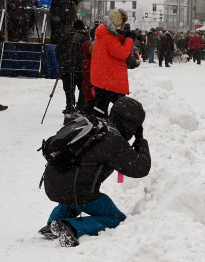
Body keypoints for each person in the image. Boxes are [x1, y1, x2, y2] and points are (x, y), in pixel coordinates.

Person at [40, 96, 151, 248]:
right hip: (76, 192)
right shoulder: (113, 140)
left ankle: (54, 222)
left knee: (74, 194)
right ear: (128, 124)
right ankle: (70, 227)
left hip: (53, 184)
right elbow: (140, 168)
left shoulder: (95, 124)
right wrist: (141, 140)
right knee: (116, 219)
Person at [90, 9, 135, 115]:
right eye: (123, 21)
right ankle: (112, 128)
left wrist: (123, 37)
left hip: (103, 78)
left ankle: (100, 127)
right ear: (118, 21)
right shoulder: (109, 37)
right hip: (109, 79)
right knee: (122, 110)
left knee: (100, 108)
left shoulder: (104, 33)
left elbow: (114, 45)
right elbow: (122, 53)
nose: (124, 24)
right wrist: (129, 39)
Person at [59, 19, 89, 115]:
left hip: (67, 67)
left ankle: (70, 105)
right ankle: (80, 106)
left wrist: (62, 60)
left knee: (68, 89)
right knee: (82, 88)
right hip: (81, 68)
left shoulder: (66, 36)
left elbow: (57, 50)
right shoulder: (85, 37)